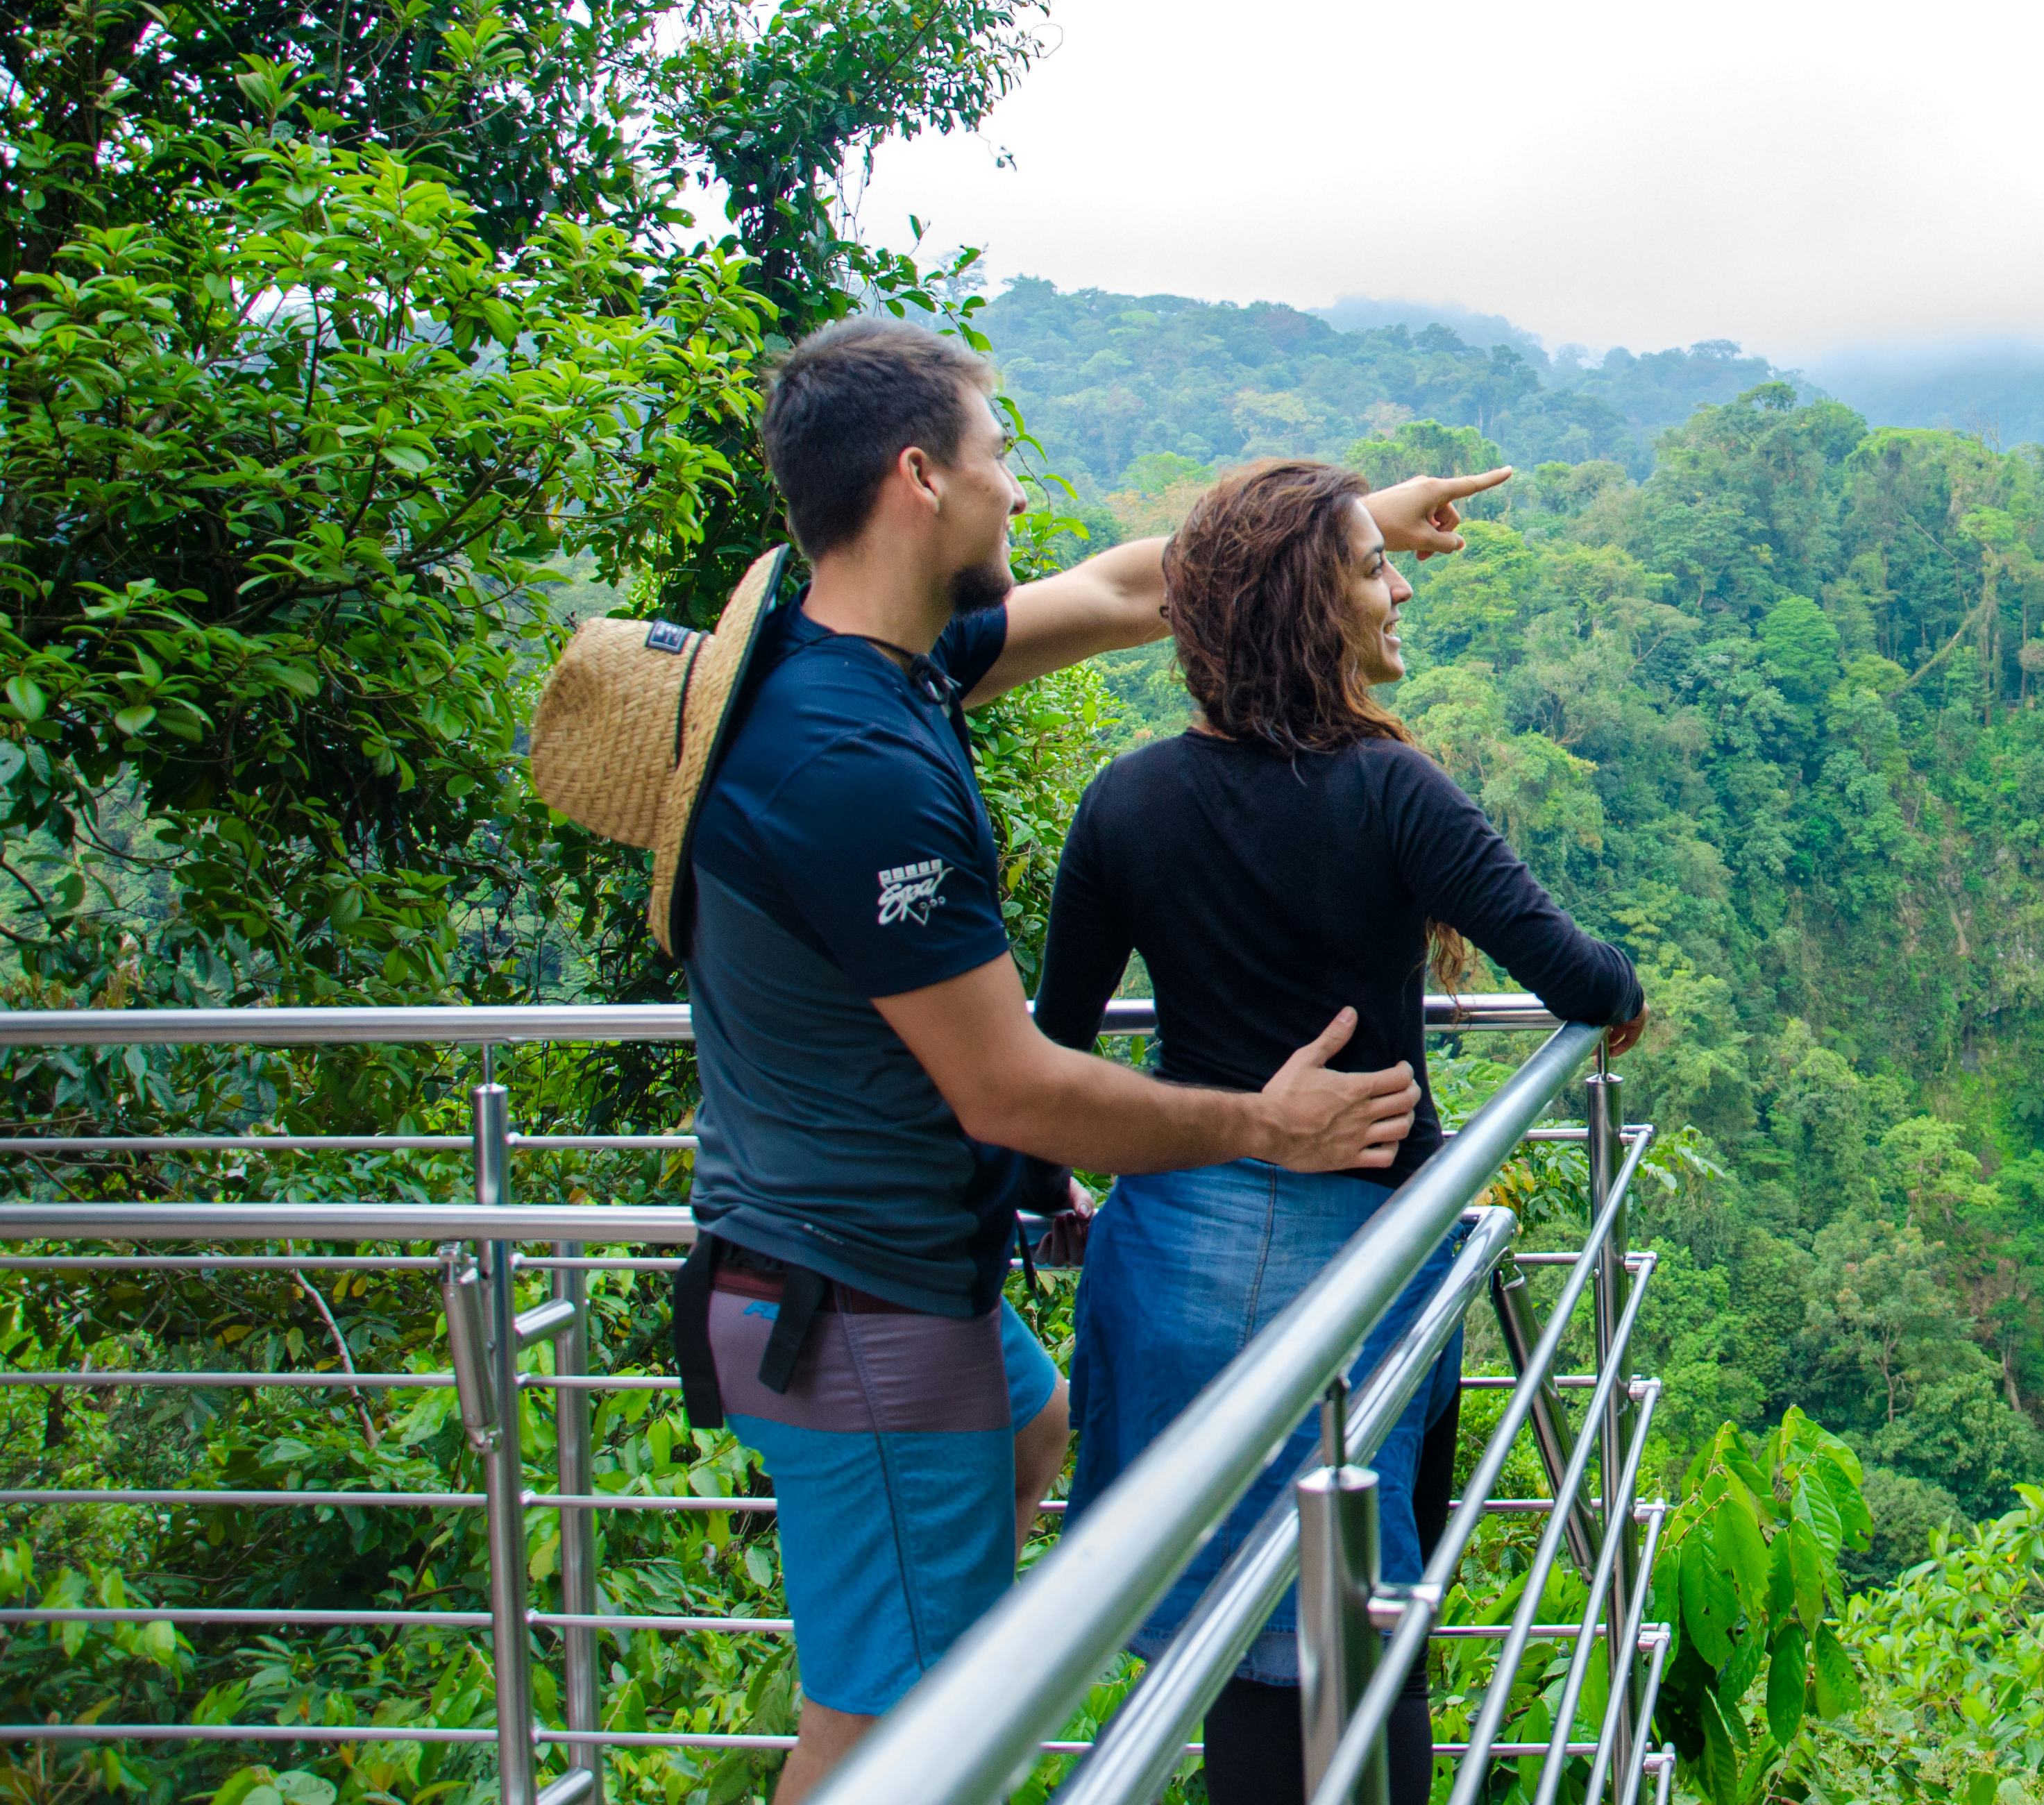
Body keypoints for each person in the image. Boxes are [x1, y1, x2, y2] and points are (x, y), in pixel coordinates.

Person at [650, 320, 1510, 1799]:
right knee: (886, 1735)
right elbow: (1015, 1088)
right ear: (921, 478)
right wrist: (1266, 1124)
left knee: (1035, 1424)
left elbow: (1130, 587)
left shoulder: (888, 669)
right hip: (853, 1301)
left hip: (898, 1272)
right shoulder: (850, 772)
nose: (1019, 496)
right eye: (998, 461)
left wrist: (1351, 522)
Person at [1033, 457, 1646, 1805]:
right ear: (1313, 608)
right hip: (1356, 1277)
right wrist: (1629, 995)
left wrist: (1052, 1201)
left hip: (1171, 1266)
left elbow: (1048, 1053)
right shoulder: (1387, 792)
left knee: (1226, 1654)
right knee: (1355, 1643)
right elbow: (1575, 974)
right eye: (1373, 566)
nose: (1399, 584)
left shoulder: (1124, 802)